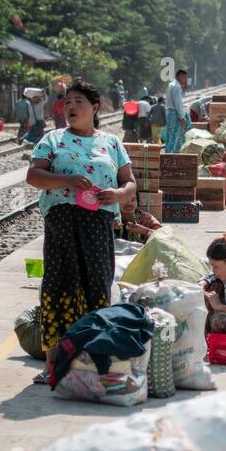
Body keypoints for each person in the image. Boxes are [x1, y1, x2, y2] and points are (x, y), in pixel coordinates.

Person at [26, 79, 136, 378]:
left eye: (79, 102)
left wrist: (118, 195)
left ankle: (93, 362)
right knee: (58, 287)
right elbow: (34, 176)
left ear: (95, 107)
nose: (71, 107)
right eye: (68, 102)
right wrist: (67, 180)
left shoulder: (111, 143)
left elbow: (129, 183)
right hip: (62, 225)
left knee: (97, 287)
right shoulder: (52, 140)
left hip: (98, 225)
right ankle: (53, 365)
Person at [163, 69, 190, 153]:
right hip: (175, 114)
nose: (186, 80)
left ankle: (168, 153)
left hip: (170, 113)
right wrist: (182, 117)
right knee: (176, 136)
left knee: (170, 135)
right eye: (185, 77)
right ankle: (173, 154)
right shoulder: (176, 87)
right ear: (180, 76)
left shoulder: (171, 84)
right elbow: (178, 103)